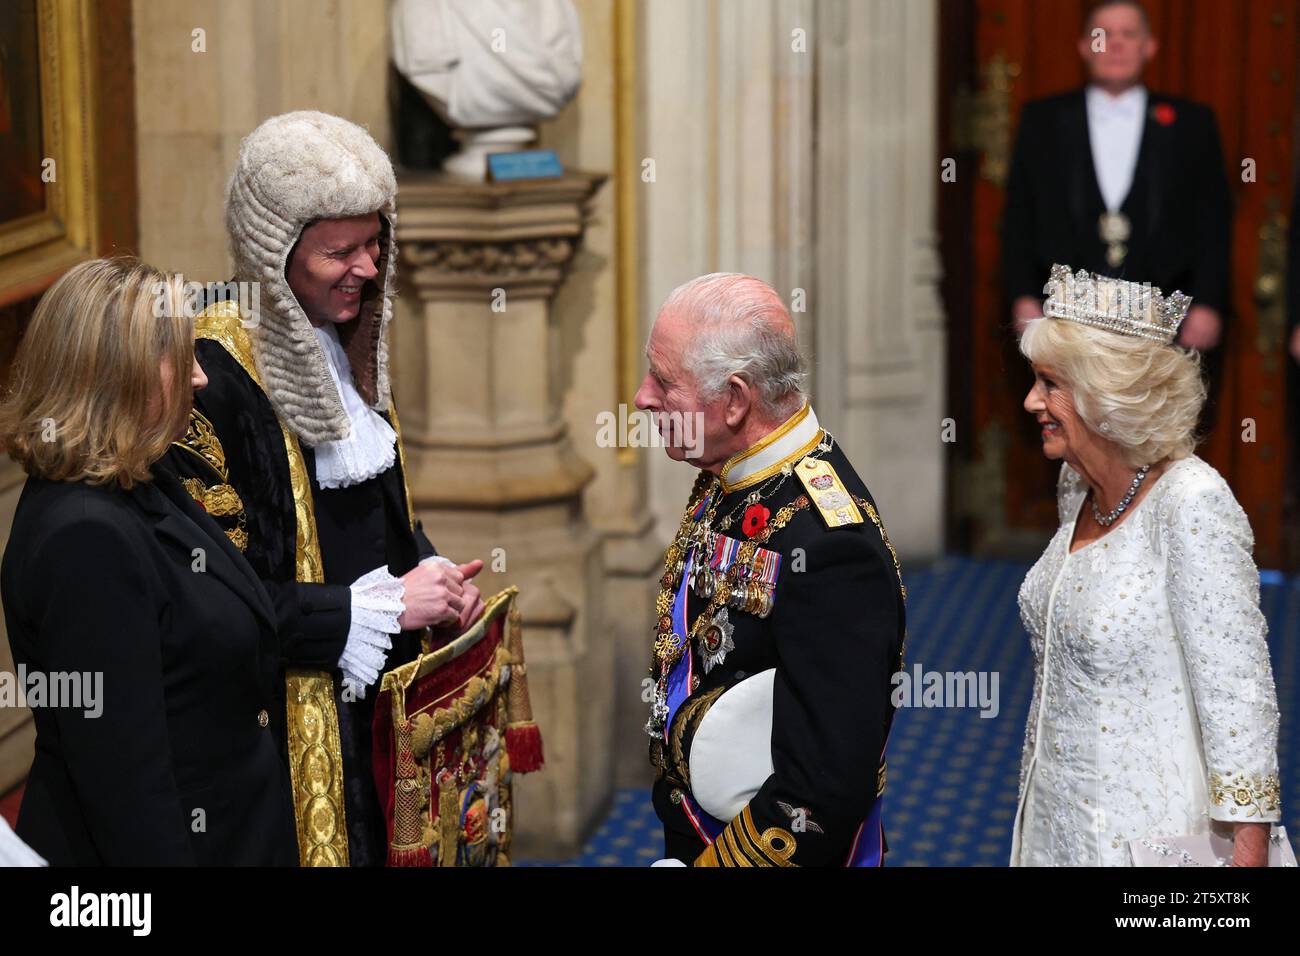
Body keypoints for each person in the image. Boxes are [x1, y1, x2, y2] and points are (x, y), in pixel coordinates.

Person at [163, 111, 484, 866]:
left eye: (376, 243)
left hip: (377, 706)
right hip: (284, 721)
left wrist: (432, 574)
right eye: (340, 252)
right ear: (273, 256)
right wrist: (374, 608)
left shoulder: (348, 337)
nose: (368, 269)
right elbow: (212, 600)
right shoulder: (210, 383)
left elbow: (378, 516)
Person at [0, 258, 298, 865]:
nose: (199, 379)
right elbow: (128, 793)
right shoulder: (85, 540)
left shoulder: (140, 476)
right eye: (177, 358)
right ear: (116, 375)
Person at [1012, 263, 1281, 867]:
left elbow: (1238, 692)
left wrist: (1245, 856)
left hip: (1153, 841)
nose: (1031, 402)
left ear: (1105, 396)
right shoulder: (1074, 486)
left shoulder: (1193, 503)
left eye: (1049, 383)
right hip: (1052, 814)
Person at [635, 273, 906, 867]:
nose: (641, 398)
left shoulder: (832, 544)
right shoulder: (733, 470)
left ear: (735, 400)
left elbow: (823, 788)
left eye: (663, 380)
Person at [1002, 0, 1231, 368]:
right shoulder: (1043, 120)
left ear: (1149, 47)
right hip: (1064, 315)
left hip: (1166, 317)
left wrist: (1207, 303)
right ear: (1082, 47)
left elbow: (1213, 220)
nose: (1116, 44)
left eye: (1129, 34)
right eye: (1102, 35)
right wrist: (1023, 295)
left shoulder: (1192, 123)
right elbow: (1019, 216)